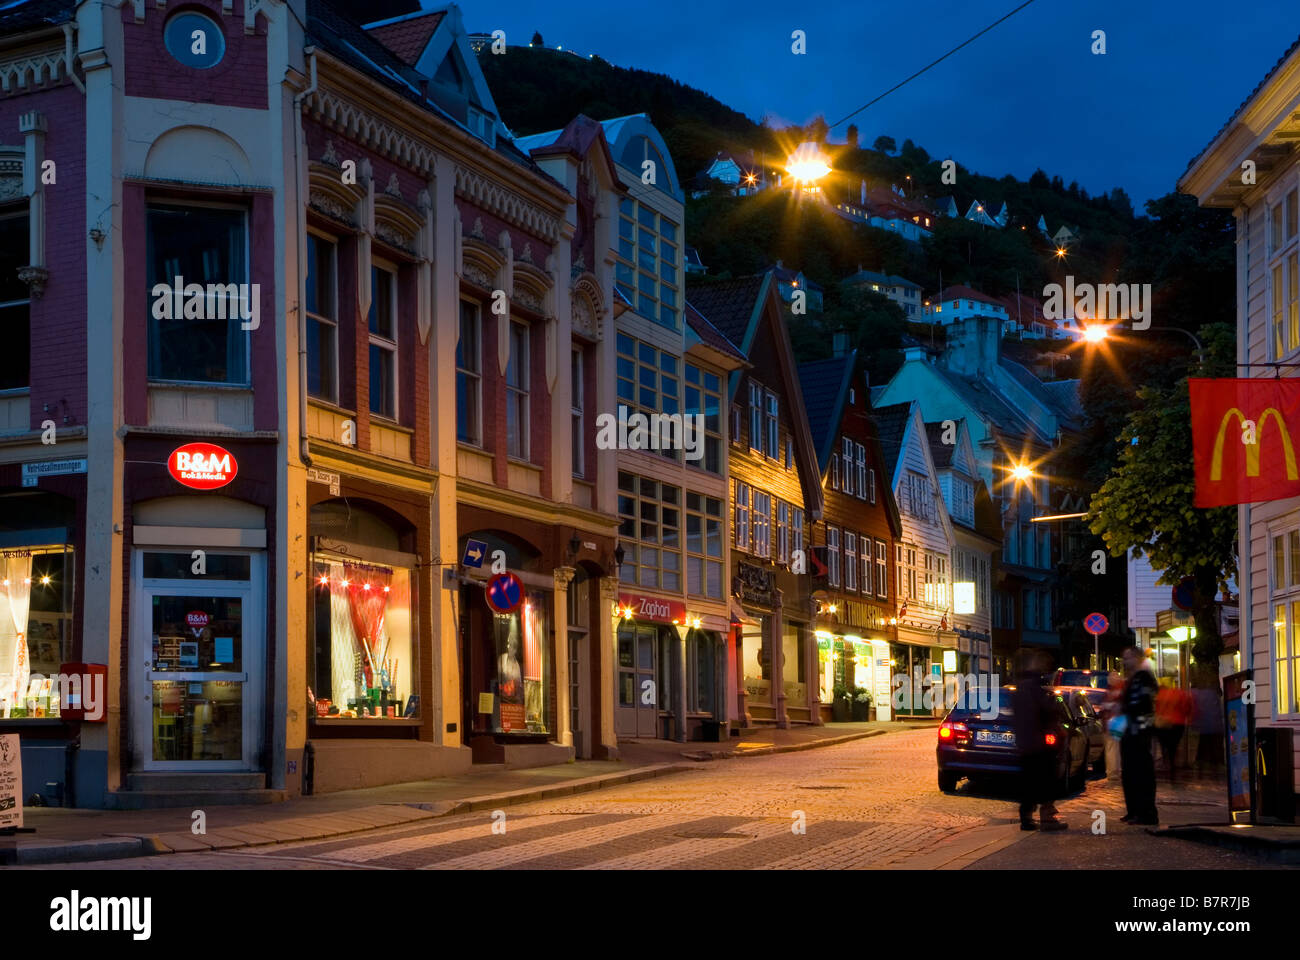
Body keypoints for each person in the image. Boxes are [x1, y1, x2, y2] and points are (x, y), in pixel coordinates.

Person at [1012, 651, 1067, 831]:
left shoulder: (1020, 687)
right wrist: (1056, 703)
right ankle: (1047, 817)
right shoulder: (1035, 687)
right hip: (1040, 743)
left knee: (1028, 782)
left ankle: (1027, 818)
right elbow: (1048, 710)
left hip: (1025, 742)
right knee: (1046, 780)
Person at [1120, 646, 1159, 825]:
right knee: (1129, 771)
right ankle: (1134, 810)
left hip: (1139, 731)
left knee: (1140, 772)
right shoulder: (1134, 677)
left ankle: (1145, 812)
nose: (1124, 661)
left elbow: (1142, 703)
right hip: (1131, 730)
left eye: (1127, 658)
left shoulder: (1144, 677)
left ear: (1136, 658)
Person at [1154, 677, 1192, 783]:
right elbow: (1186, 706)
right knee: (1173, 747)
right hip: (1177, 724)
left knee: (1165, 746)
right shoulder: (1178, 693)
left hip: (1163, 725)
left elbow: (1156, 710)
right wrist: (1186, 717)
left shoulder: (1159, 695)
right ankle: (1172, 767)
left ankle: (1168, 765)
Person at [1191, 676, 1224, 779]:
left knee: (1202, 748)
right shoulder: (1213, 694)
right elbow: (1219, 711)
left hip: (1204, 726)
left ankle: (1200, 771)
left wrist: (1195, 723)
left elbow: (1196, 710)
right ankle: (1214, 772)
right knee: (1213, 749)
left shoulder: (1197, 694)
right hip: (1214, 726)